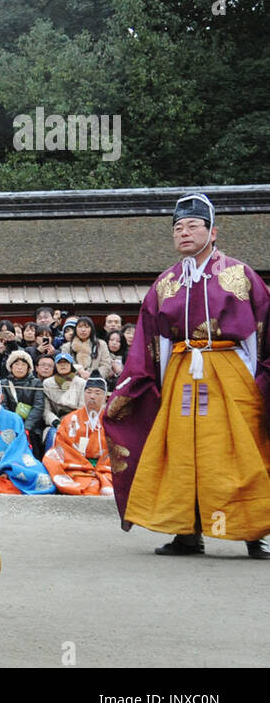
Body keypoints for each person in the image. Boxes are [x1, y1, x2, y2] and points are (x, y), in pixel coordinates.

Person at [105, 193, 270, 558]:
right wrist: (151, 386)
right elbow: (154, 341)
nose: (184, 232)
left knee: (237, 451)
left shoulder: (239, 275)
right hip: (181, 372)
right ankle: (186, 532)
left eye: (193, 226)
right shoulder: (166, 283)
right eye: (178, 227)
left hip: (230, 369)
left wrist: (257, 378)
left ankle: (251, 532)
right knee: (181, 453)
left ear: (213, 232)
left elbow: (260, 330)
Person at [43, 377, 113, 495]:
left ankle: (100, 482)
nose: (92, 396)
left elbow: (118, 448)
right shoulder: (70, 419)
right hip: (77, 465)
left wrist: (102, 464)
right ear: (83, 394)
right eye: (88, 392)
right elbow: (63, 445)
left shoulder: (113, 420)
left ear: (105, 397)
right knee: (50, 459)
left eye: (97, 393)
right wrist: (83, 463)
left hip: (106, 466)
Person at [1, 349, 46, 454]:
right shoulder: (4, 383)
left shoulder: (36, 383)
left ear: (29, 367)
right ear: (10, 367)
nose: (20, 367)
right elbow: (3, 405)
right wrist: (15, 424)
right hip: (9, 423)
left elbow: (38, 407)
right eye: (16, 364)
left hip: (32, 426)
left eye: (23, 365)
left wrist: (26, 427)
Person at [41, 352, 85, 451]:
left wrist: (72, 421)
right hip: (57, 421)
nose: (63, 365)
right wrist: (56, 422)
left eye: (66, 363)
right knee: (52, 435)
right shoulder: (47, 383)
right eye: (60, 363)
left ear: (71, 365)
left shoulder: (81, 383)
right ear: (56, 366)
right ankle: (50, 463)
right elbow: (46, 409)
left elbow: (83, 407)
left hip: (77, 420)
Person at [68, 316, 113, 381]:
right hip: (74, 381)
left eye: (87, 327)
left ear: (92, 329)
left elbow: (106, 365)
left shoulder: (101, 344)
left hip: (96, 381)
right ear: (75, 329)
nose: (83, 330)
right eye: (80, 327)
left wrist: (93, 375)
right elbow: (65, 365)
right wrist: (80, 372)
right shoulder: (68, 346)